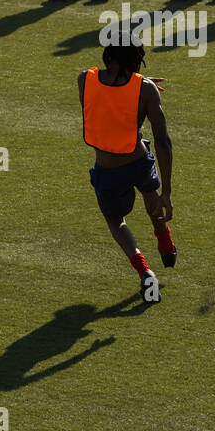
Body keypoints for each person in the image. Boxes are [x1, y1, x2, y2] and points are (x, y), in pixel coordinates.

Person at [78, 39, 175, 302]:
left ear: (108, 56)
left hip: (107, 170)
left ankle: (145, 271)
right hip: (137, 161)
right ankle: (164, 238)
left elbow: (106, 107)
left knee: (115, 221)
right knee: (149, 191)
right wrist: (166, 191)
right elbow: (163, 142)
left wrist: (138, 85)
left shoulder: (83, 80)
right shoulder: (145, 89)